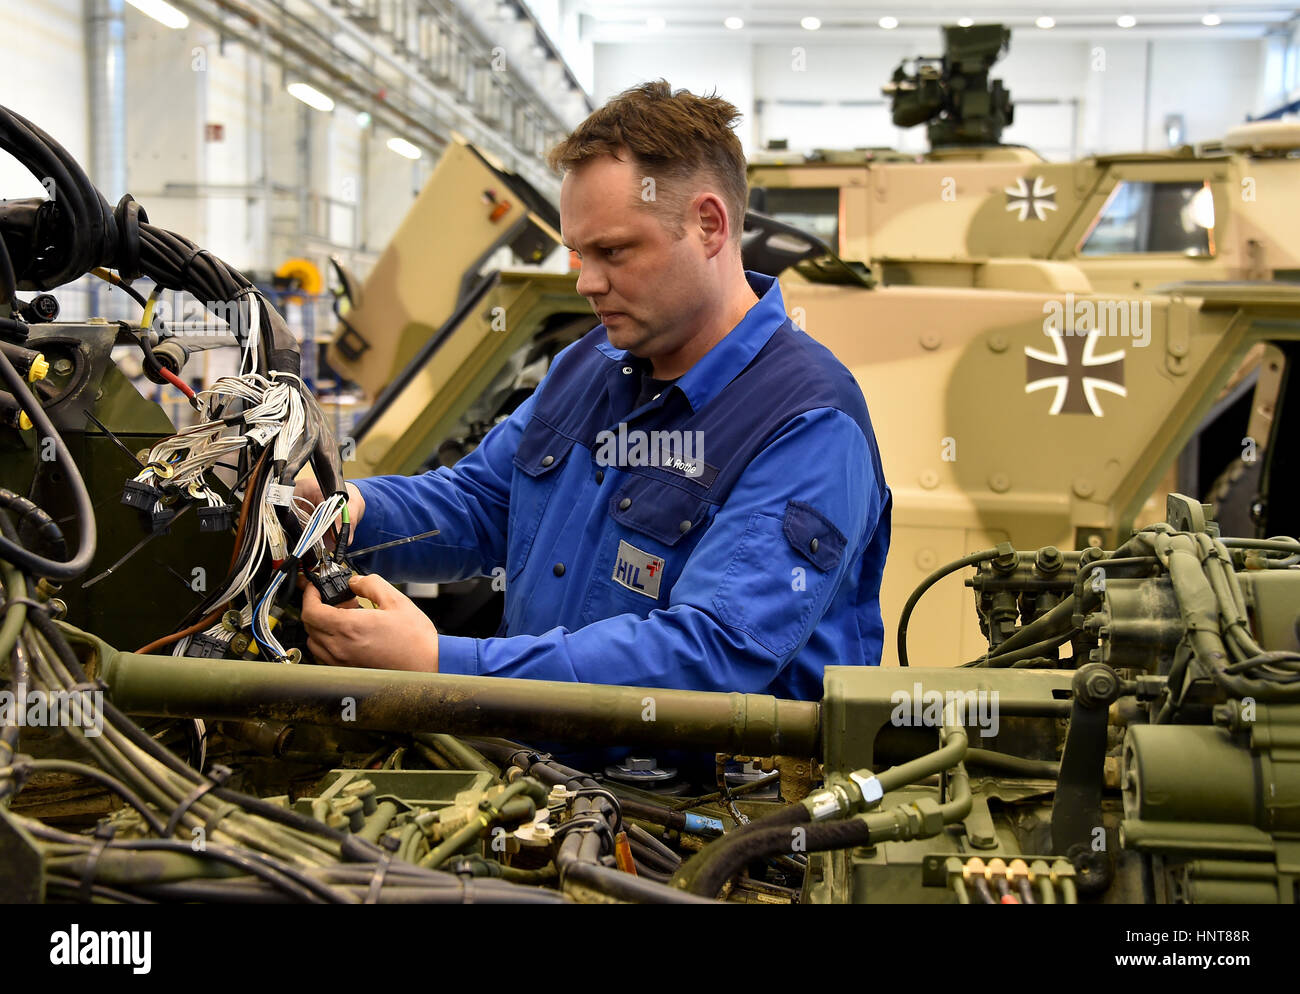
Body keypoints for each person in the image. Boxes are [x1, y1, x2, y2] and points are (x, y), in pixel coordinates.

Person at [297, 79, 891, 702]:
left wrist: (441, 662)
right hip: (545, 769)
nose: (587, 283)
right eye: (578, 253)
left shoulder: (806, 422)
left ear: (710, 226)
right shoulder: (591, 365)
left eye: (613, 251)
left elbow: (712, 650)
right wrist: (346, 510)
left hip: (709, 794)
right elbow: (482, 505)